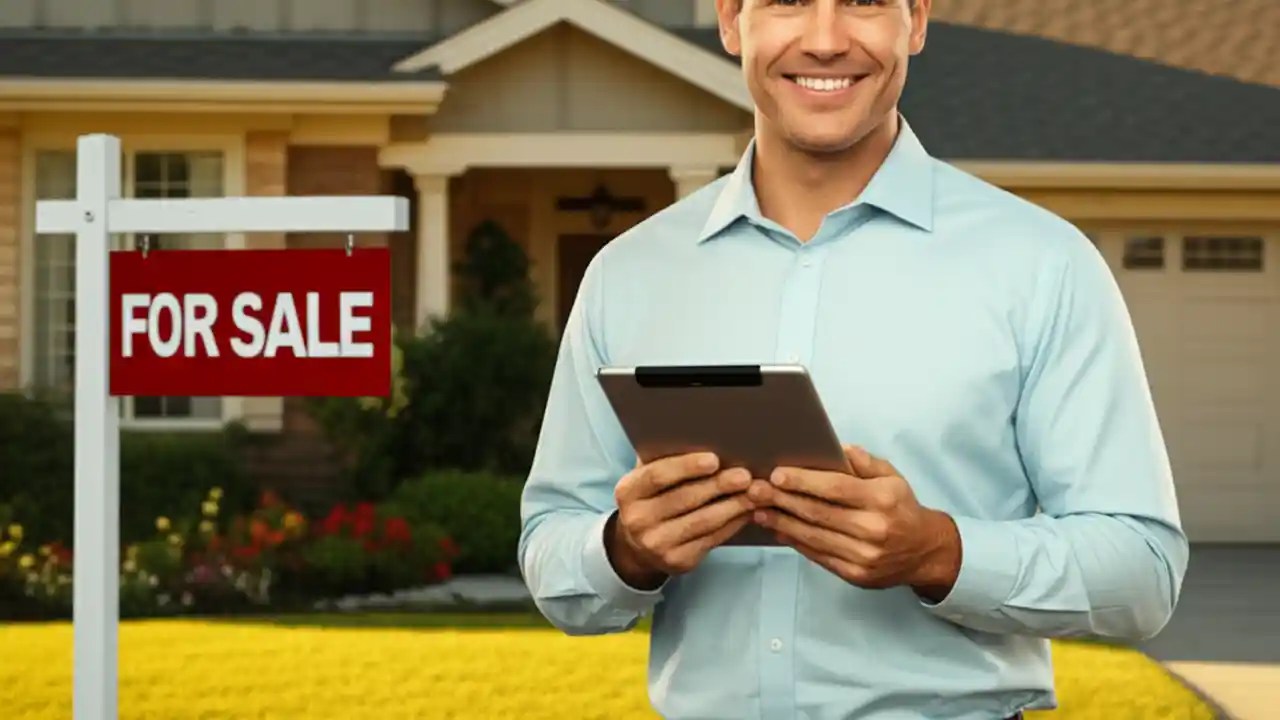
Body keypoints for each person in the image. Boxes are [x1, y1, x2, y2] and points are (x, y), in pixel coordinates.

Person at [517, 0, 1189, 717]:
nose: (827, 40)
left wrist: (939, 553)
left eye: (865, 2)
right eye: (788, 3)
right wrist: (626, 550)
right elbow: (552, 546)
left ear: (918, 20)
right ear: (731, 20)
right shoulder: (629, 274)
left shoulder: (1042, 266)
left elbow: (1142, 574)